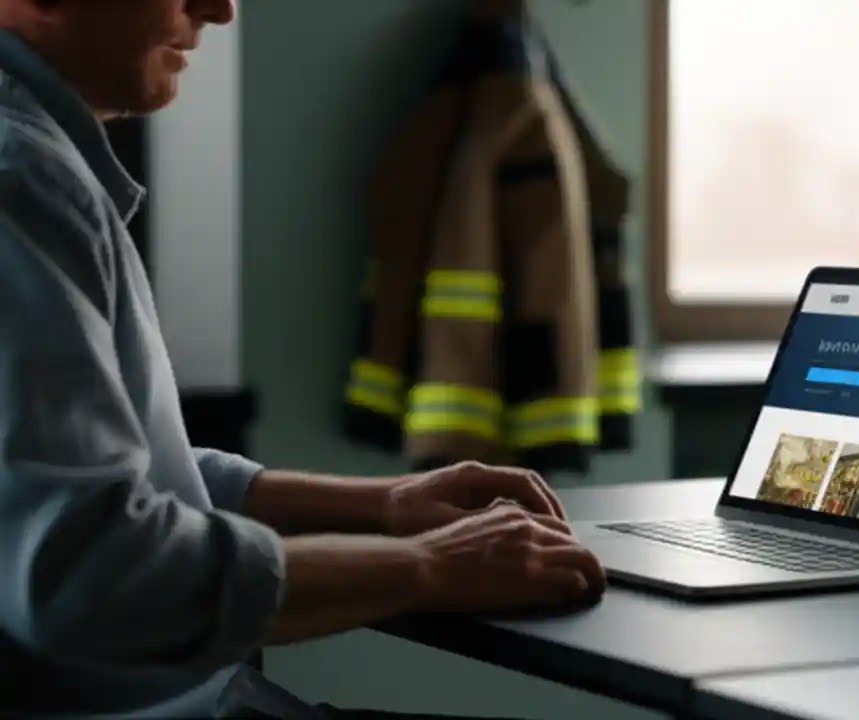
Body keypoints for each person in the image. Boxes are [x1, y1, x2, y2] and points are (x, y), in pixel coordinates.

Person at [0, 1, 606, 717]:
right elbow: (86, 577)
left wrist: (381, 507)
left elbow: (106, 482)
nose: (218, 10)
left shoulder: (41, 161)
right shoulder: (24, 177)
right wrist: (429, 567)